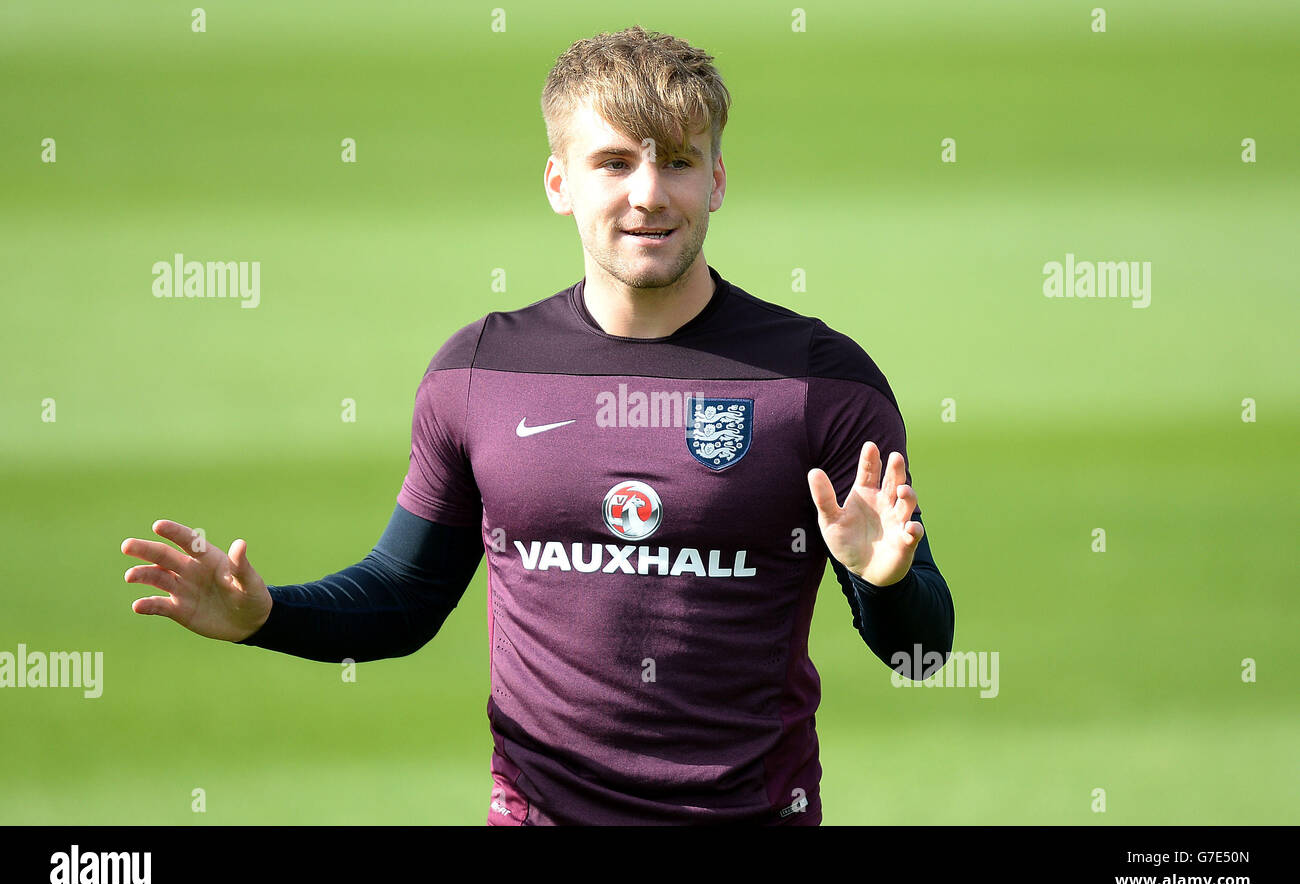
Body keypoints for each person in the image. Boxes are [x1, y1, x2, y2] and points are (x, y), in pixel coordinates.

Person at [120, 25, 955, 825]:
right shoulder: (479, 372)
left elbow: (921, 649)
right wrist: (268, 615)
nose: (649, 192)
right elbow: (404, 596)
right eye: (615, 163)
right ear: (559, 182)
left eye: (678, 162)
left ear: (719, 180)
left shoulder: (821, 383)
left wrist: (886, 582)